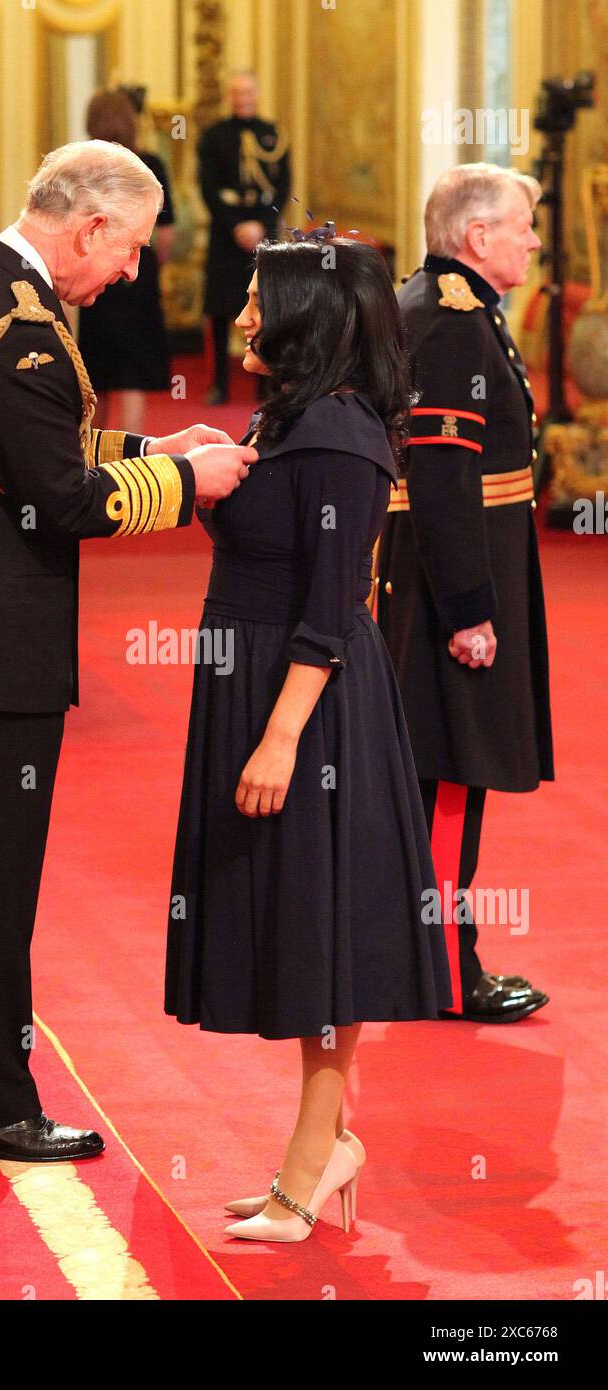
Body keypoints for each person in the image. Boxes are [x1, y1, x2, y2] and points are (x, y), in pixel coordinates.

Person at [0, 140, 257, 1164]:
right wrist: (188, 488)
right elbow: (59, 498)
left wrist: (154, 450)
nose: (128, 271)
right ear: (86, 228)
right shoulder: (22, 328)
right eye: (125, 249)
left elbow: (31, 448)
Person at [165, 232, 452, 1243]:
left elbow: (331, 610)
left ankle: (313, 1160)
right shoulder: (296, 420)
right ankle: (326, 1145)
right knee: (299, 927)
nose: (241, 316)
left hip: (309, 704)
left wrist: (280, 737)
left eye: (257, 300)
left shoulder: (335, 434)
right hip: (264, 687)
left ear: (308, 315)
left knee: (321, 934)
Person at [376, 163, 553, 1024]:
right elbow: (444, 477)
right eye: (522, 224)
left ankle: (425, 955)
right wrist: (470, 611)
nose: (532, 239)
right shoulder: (449, 326)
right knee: (448, 775)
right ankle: (445, 970)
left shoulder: (452, 307)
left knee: (441, 775)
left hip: (448, 570)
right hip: (452, 580)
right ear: (476, 238)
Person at [77, 88, 174, 437]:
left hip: (96, 273)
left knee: (96, 378)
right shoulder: (152, 165)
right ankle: (134, 464)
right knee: (134, 376)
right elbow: (166, 234)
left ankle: (91, 464)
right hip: (138, 273)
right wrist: (148, 266)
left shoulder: (84, 169)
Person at [198, 70, 291, 404]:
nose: (242, 97)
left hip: (263, 231)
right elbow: (208, 189)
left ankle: (264, 383)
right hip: (226, 235)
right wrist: (236, 226)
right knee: (221, 309)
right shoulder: (213, 136)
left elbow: (282, 189)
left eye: (248, 91)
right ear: (229, 95)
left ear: (257, 93)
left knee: (268, 306)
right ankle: (219, 383)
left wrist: (260, 226)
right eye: (236, 92)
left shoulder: (273, 135)